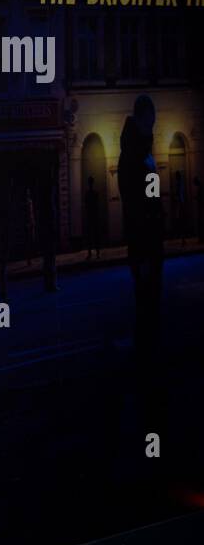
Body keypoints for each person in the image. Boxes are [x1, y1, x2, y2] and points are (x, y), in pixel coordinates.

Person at [117, 94, 164, 363]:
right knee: (147, 302)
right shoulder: (137, 157)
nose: (154, 125)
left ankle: (147, 354)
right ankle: (147, 358)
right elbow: (139, 205)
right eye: (152, 119)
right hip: (144, 241)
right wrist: (146, 247)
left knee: (148, 302)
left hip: (147, 240)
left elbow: (150, 199)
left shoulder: (141, 154)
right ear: (143, 118)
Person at [84, 176, 102, 260]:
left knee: (90, 236)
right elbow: (97, 205)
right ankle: (97, 253)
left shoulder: (87, 194)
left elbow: (86, 206)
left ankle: (90, 253)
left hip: (90, 216)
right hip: (94, 216)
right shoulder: (95, 193)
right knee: (95, 236)